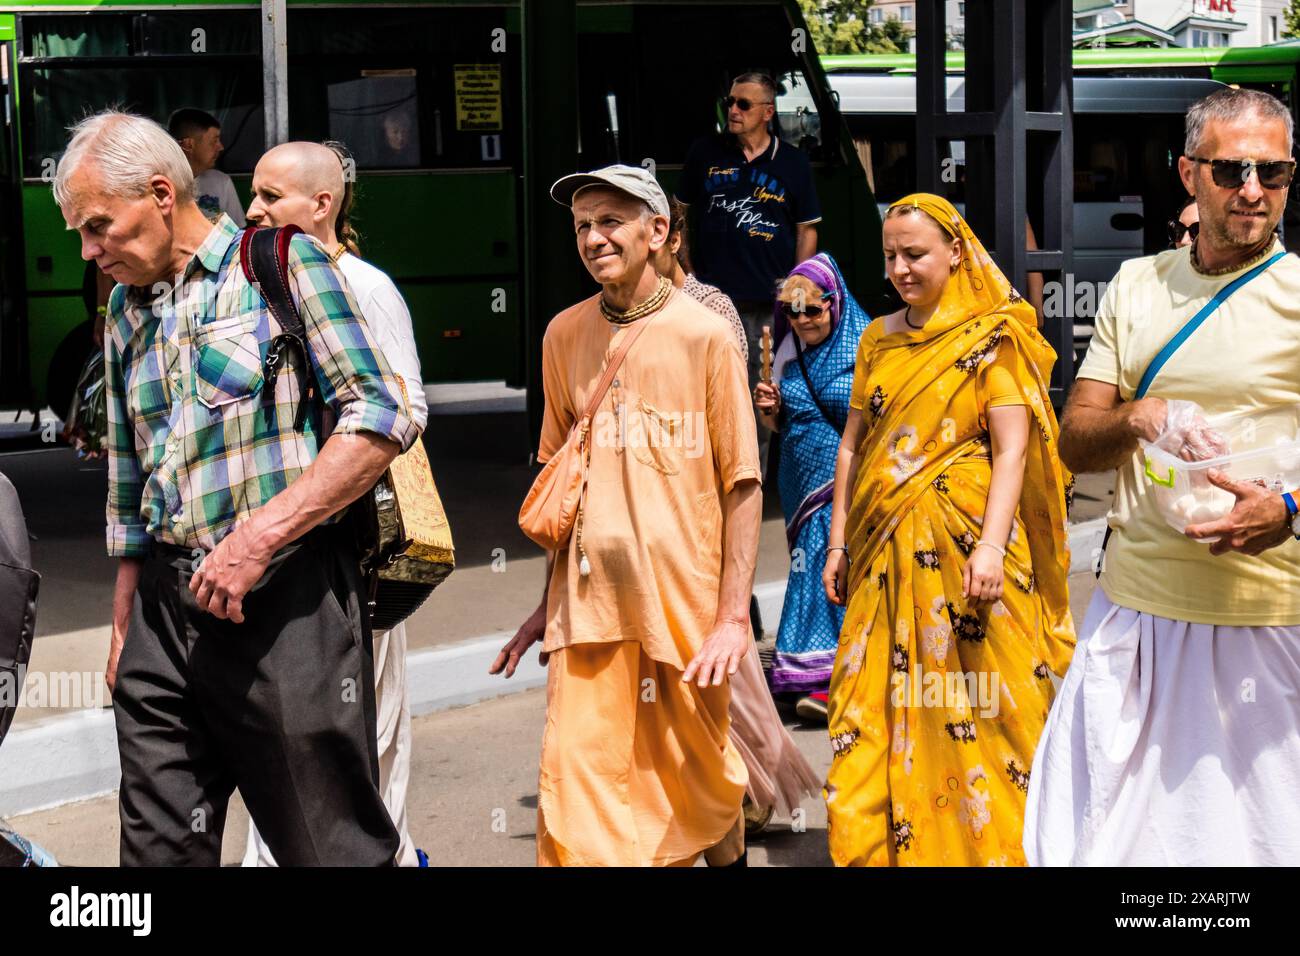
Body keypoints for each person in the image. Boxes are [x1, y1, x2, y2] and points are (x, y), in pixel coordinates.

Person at [54, 109, 418, 866]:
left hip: (285, 604)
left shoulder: (280, 263)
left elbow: (381, 415)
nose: (89, 253)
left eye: (98, 227)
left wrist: (258, 541)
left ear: (161, 193)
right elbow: (130, 469)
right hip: (166, 609)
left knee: (329, 847)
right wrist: (126, 620)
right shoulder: (125, 307)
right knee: (156, 853)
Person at [1025, 87, 1300, 866]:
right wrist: (1145, 416)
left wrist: (1285, 506)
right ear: (1189, 173)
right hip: (1137, 613)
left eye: (1273, 172)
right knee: (1114, 846)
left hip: (1269, 620)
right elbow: (1077, 439)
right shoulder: (1138, 286)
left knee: (1261, 848)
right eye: (1231, 170)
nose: (1253, 190)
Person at [489, 164, 761, 867]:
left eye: (610, 221)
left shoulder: (705, 334)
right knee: (581, 790)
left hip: (684, 610)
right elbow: (560, 487)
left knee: (698, 778)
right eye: (582, 225)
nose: (593, 237)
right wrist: (542, 606)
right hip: (587, 608)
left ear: (658, 231)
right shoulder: (562, 336)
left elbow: (742, 484)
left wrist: (733, 617)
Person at [821, 193, 1075, 866]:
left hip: (971, 558)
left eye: (915, 254)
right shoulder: (877, 338)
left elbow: (1013, 449)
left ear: (955, 251)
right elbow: (853, 443)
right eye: (890, 257)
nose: (900, 268)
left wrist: (991, 546)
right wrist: (838, 540)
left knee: (991, 711)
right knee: (861, 710)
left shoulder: (995, 337)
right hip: (879, 553)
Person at [240, 140, 428, 868]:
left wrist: (326, 472)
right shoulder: (249, 283)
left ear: (322, 204)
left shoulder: (366, 287)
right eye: (252, 194)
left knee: (363, 735)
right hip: (270, 552)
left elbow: (404, 411)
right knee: (274, 731)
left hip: (352, 552)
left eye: (271, 196)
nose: (253, 210)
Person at [651, 203, 819, 834]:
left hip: (703, 509)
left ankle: (746, 786)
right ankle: (707, 789)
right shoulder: (614, 316)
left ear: (668, 238)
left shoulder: (710, 308)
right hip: (650, 516)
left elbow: (730, 424)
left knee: (725, 660)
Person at [674, 71, 822, 476]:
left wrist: (794, 285)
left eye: (743, 104)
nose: (733, 111)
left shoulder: (792, 163)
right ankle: (704, 483)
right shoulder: (706, 152)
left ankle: (749, 484)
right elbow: (679, 214)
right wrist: (689, 277)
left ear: (768, 113)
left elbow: (806, 229)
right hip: (711, 303)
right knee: (707, 394)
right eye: (730, 103)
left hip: (768, 304)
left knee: (762, 396)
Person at [754, 253, 870, 723]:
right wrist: (770, 409)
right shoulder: (788, 351)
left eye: (812, 310)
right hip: (801, 484)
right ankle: (802, 675)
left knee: (833, 575)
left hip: (847, 487)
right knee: (809, 574)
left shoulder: (866, 347)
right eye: (792, 311)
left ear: (834, 303)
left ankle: (835, 680)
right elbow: (783, 422)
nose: (801, 320)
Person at [168, 108, 245, 225]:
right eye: (214, 141)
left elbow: (237, 231)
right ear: (189, 144)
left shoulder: (221, 181)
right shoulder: (163, 185)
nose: (220, 147)